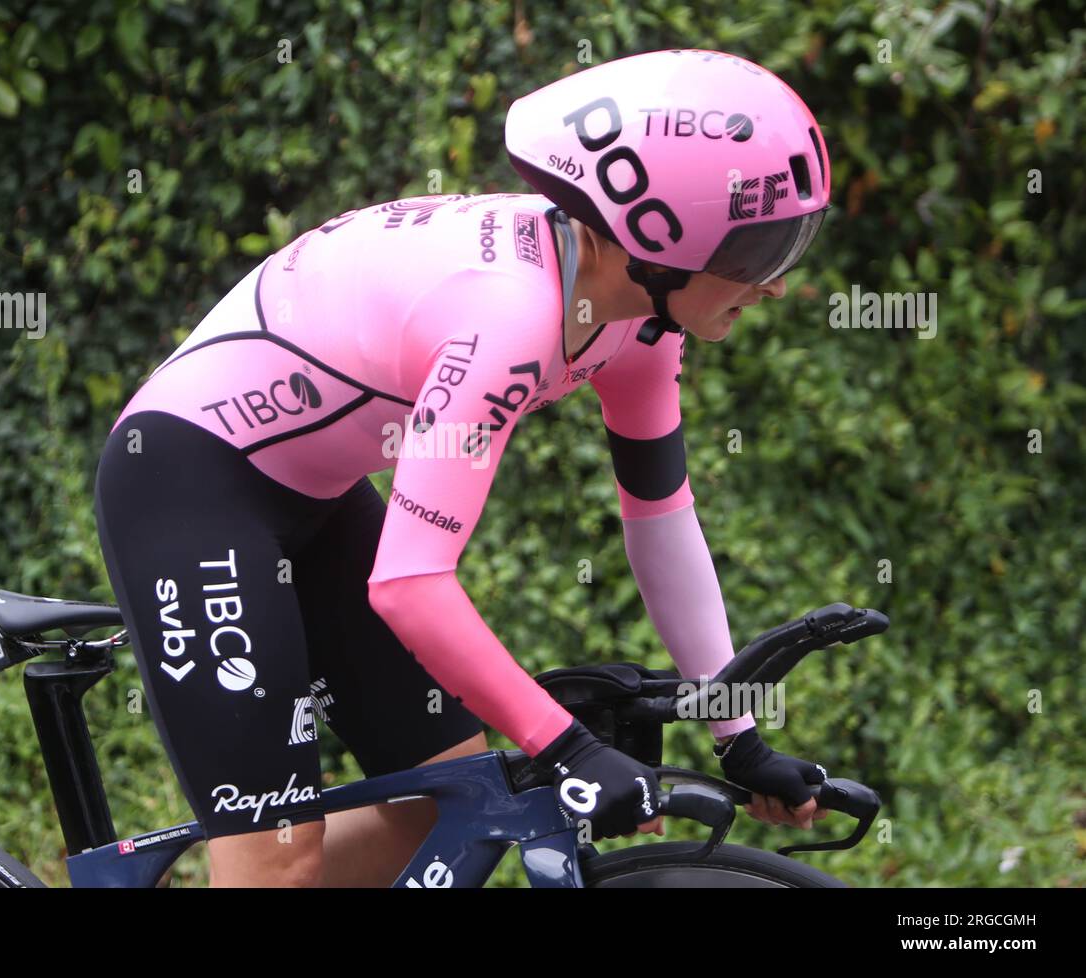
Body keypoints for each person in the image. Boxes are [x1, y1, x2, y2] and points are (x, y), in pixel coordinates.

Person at [93, 48, 833, 887]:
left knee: (439, 812)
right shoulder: (507, 318)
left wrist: (736, 734)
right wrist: (568, 747)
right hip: (191, 481)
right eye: (762, 248)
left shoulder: (635, 321)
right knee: (279, 862)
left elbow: (661, 518)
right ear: (659, 235)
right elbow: (410, 584)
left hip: (318, 496)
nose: (775, 284)